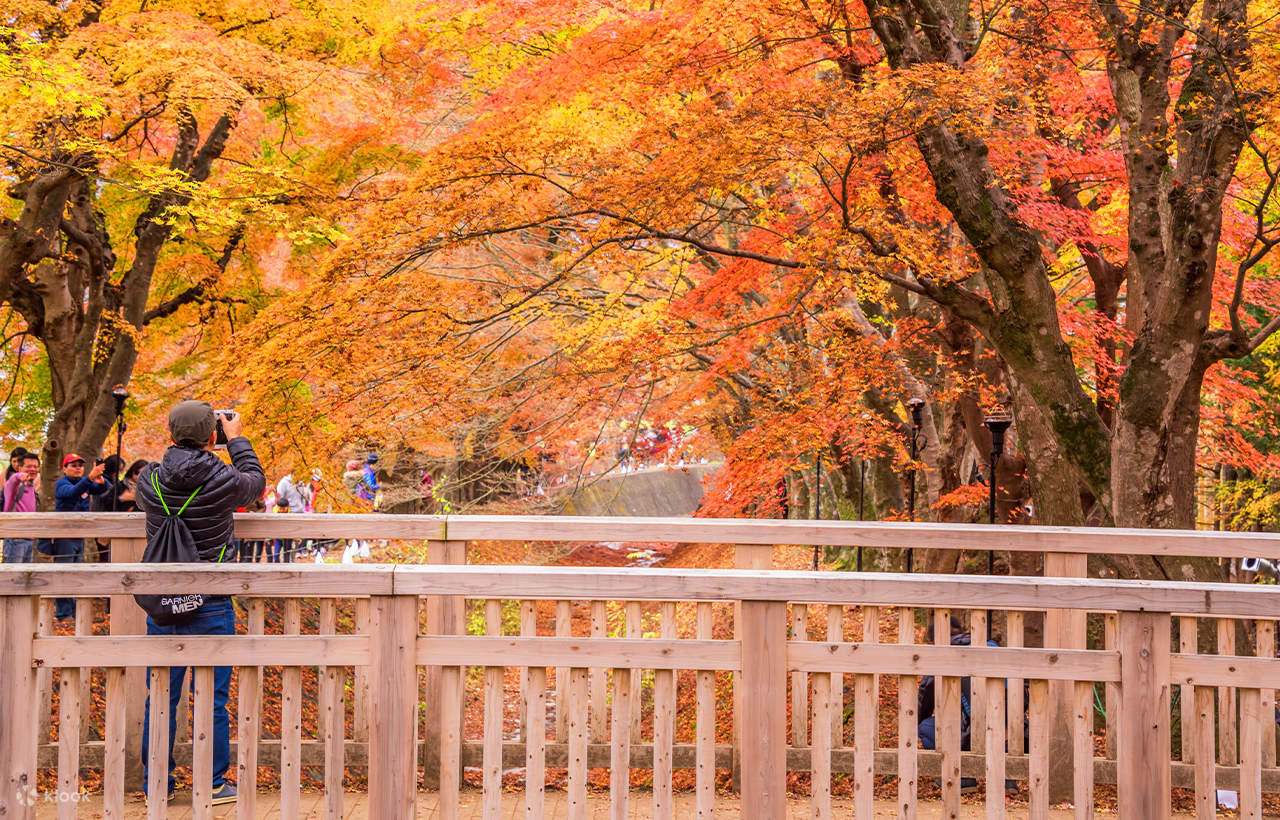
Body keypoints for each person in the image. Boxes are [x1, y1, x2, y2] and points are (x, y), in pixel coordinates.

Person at [137, 400, 264, 805]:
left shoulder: (149, 479)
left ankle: (157, 783)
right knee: (212, 699)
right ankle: (211, 782)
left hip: (163, 600)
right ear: (213, 435)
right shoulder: (223, 478)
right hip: (211, 599)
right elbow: (255, 483)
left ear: (171, 434)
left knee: (161, 695)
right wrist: (237, 438)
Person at [52, 453, 110, 620]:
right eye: (73, 465)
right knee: (63, 573)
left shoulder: (85, 483)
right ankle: (63, 614)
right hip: (64, 535)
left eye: (80, 465)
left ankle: (74, 612)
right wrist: (90, 477)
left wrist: (102, 480)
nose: (77, 468)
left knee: (76, 573)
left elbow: (104, 489)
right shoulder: (61, 483)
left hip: (80, 535)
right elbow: (72, 492)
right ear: (64, 469)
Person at [3, 452, 40, 562]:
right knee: (13, 572)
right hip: (15, 539)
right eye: (28, 466)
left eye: (35, 467)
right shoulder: (13, 485)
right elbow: (13, 480)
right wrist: (20, 476)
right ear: (20, 468)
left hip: (29, 539)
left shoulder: (31, 487)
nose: (32, 469)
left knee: (26, 572)